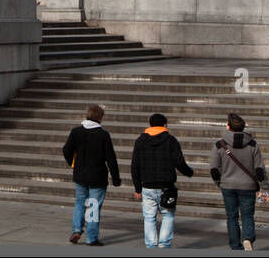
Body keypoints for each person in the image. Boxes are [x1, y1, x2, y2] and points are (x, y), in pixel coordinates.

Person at [131, 112, 195, 249]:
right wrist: (189, 173)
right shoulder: (171, 140)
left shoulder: (140, 141)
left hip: (147, 186)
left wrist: (137, 188)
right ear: (165, 125)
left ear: (150, 125)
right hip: (166, 187)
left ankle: (151, 245)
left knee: (149, 218)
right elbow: (179, 162)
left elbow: (135, 165)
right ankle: (164, 245)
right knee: (168, 216)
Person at [61, 104, 122, 246]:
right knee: (93, 206)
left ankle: (76, 229)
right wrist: (116, 178)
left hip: (80, 175)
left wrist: (73, 163)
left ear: (87, 115)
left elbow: (66, 150)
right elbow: (111, 158)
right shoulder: (103, 135)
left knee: (80, 203)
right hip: (98, 177)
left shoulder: (76, 132)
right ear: (100, 117)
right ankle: (91, 237)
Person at [210, 113, 269, 251]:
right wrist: (265, 188)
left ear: (228, 126)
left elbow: (214, 169)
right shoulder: (252, 144)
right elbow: (259, 169)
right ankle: (248, 238)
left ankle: (235, 247)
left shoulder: (219, 145)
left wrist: (219, 183)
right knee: (247, 216)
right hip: (248, 186)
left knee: (232, 217)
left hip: (228, 186)